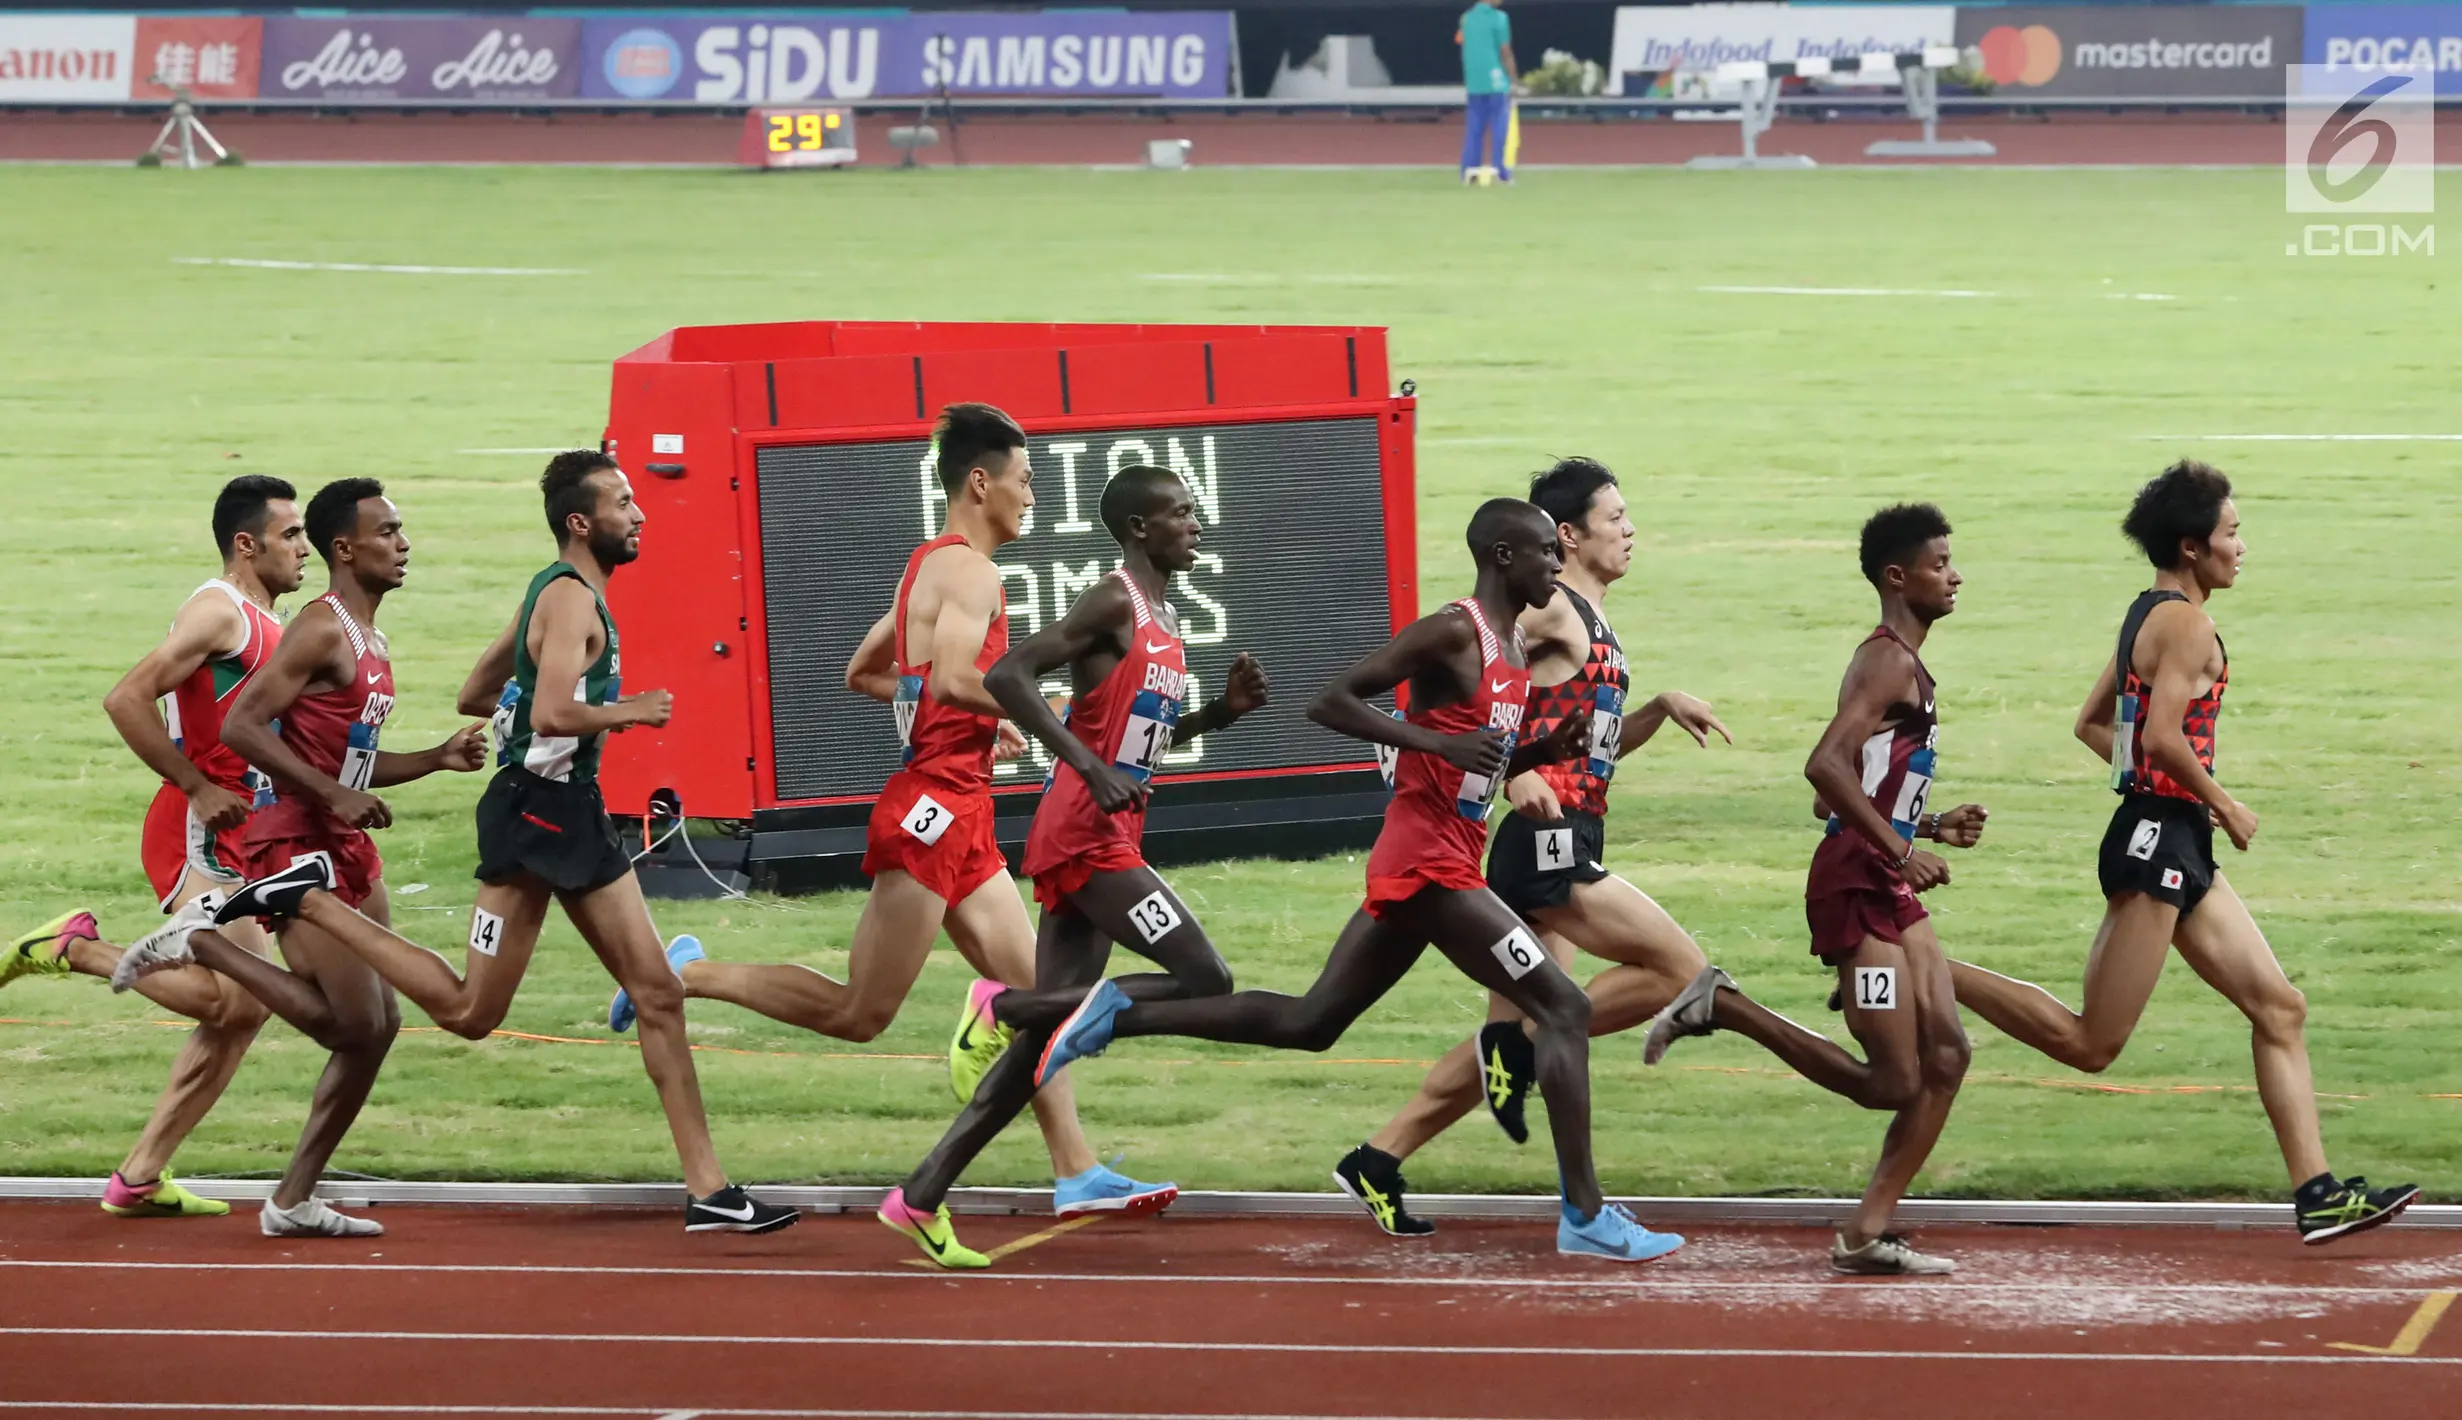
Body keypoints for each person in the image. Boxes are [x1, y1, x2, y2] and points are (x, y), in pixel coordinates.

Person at [154, 452, 802, 1234]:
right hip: (529, 817)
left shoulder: (494, 608)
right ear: (580, 522)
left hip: (565, 810)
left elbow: (475, 694)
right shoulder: (556, 600)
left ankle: (709, 1190)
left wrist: (448, 751)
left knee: (650, 993)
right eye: (623, 502)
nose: (639, 515)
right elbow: (551, 711)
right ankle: (295, 914)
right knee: (441, 1016)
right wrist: (622, 712)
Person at [1025, 498, 1684, 1263]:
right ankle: (1586, 1216)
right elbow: (1332, 701)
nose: (1556, 564)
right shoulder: (1455, 629)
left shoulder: (1510, 647)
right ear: (1504, 557)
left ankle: (1113, 1018)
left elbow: (1474, 757)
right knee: (1563, 1006)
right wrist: (1434, 745)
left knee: (1313, 1022)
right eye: (1544, 551)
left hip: (1438, 859)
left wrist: (1540, 752)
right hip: (1429, 867)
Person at [634, 404, 1170, 1217]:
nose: (1032, 496)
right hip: (932, 815)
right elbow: (952, 676)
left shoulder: (925, 567)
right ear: (980, 483)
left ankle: (1076, 1170)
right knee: (860, 1012)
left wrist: (977, 726)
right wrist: (1033, 713)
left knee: (1032, 990)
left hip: (963, 808)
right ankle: (686, 973)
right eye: (1026, 481)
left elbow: (868, 673)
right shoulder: (972, 573)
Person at [1948, 463, 2417, 1244]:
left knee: (2280, 1008)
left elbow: (2094, 725)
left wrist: (2153, 787)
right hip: (2162, 842)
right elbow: (2162, 736)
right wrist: (2221, 802)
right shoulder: (2190, 626)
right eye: (2232, 533)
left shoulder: (2146, 614)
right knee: (2090, 1043)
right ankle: (1920, 964)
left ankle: (2319, 1194)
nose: (2242, 546)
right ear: (2193, 547)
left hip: (2170, 835)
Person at [878, 464, 1270, 1267]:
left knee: (1042, 1047)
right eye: (1181, 513)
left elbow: (1134, 739)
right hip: (1086, 836)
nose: (1196, 525)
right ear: (1139, 529)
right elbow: (1006, 675)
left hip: (1106, 827)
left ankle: (919, 1194)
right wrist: (1086, 768)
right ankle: (1002, 1003)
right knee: (1206, 976)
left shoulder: (1165, 616)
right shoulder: (1112, 600)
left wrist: (1217, 716)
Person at [1333, 458, 1729, 1237]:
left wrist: (1656, 708)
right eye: (1615, 517)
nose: (1631, 530)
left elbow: (1590, 748)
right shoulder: (1546, 613)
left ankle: (1378, 1158)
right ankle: (1541, 1105)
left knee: (1524, 1029)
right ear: (1569, 535)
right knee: (1677, 973)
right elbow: (1449, 689)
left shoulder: (1592, 619)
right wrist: (1509, 775)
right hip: (1546, 843)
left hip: (1567, 829)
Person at [111, 478, 486, 1238]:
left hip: (339, 837)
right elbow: (239, 726)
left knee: (377, 1028)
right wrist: (300, 792)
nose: (405, 544)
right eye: (389, 532)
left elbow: (349, 761)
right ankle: (202, 939)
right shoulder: (312, 625)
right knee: (347, 1028)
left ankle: (291, 1199)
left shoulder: (367, 639)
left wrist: (434, 759)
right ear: (349, 547)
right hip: (294, 838)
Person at [1644, 503, 1985, 1276]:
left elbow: (1832, 798)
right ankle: (1723, 1006)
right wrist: (1901, 849)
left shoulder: (1904, 664)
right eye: (1940, 564)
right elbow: (1822, 767)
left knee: (1949, 1055)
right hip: (1855, 884)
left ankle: (1866, 1231)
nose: (1956, 576)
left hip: (1882, 876)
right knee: (1893, 1081)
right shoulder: (1887, 662)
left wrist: (1929, 827)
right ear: (1897, 577)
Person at [1, 477, 306, 1218]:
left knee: (241, 1011)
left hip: (248, 832)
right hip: (198, 830)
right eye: (291, 534)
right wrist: (196, 785)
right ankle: (77, 949)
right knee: (240, 1001)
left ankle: (138, 1178)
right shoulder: (219, 611)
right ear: (246, 544)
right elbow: (125, 698)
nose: (305, 548)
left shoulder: (271, 619)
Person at [1458, 0, 1517, 184]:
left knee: (1474, 128)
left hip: (1474, 81)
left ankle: (1469, 171)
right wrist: (1513, 79)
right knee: (1500, 127)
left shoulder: (1466, 18)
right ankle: (1502, 172)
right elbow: (1505, 50)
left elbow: (1464, 46)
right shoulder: (1500, 18)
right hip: (1496, 81)